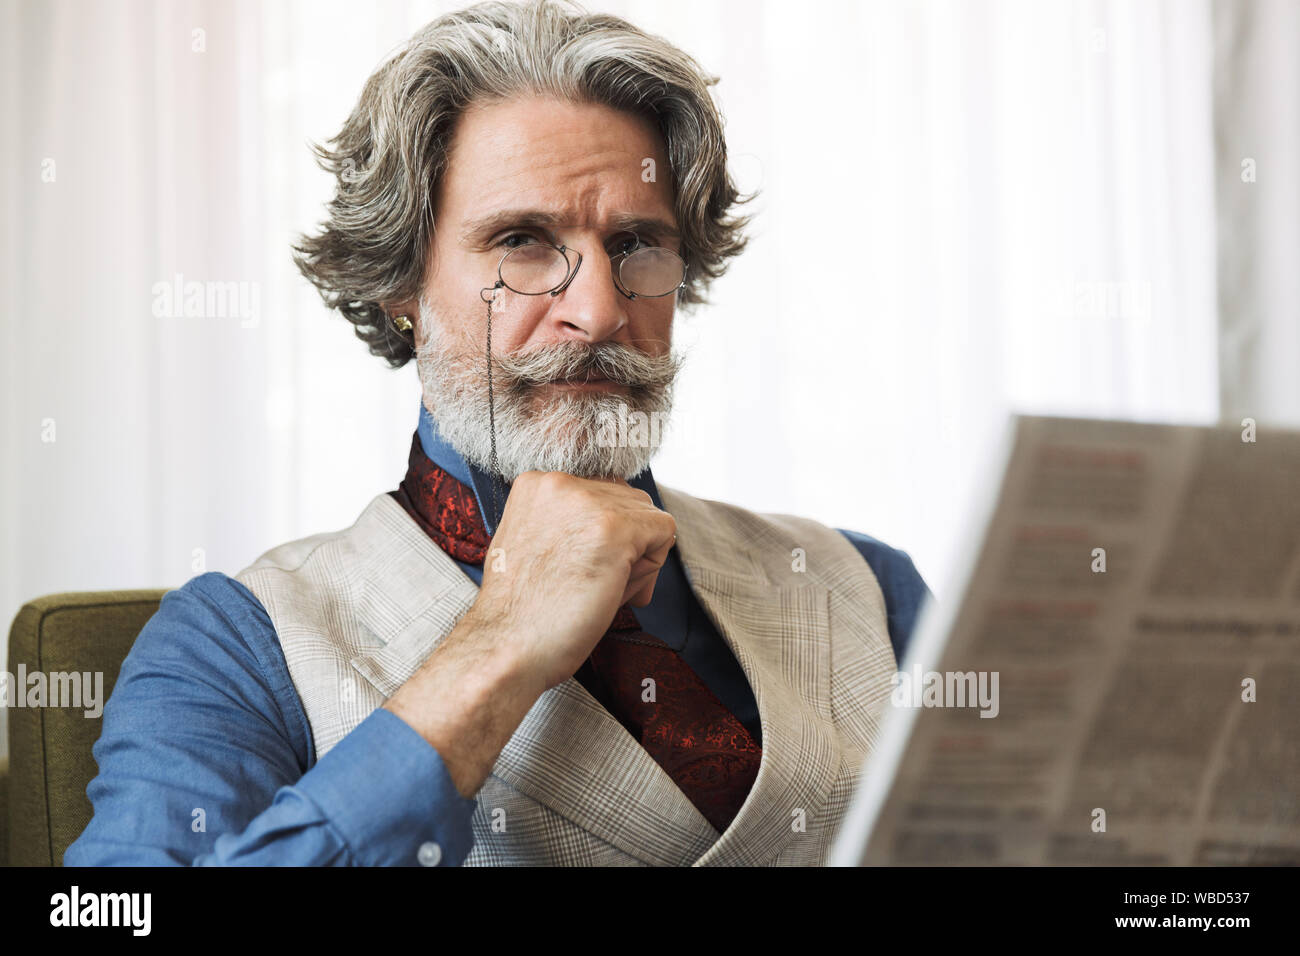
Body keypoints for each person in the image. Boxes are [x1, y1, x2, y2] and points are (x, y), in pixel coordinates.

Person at [67, 0, 931, 867]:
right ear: (399, 287)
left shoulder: (873, 592)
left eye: (638, 245)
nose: (596, 313)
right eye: (522, 243)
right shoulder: (232, 649)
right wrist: (497, 647)